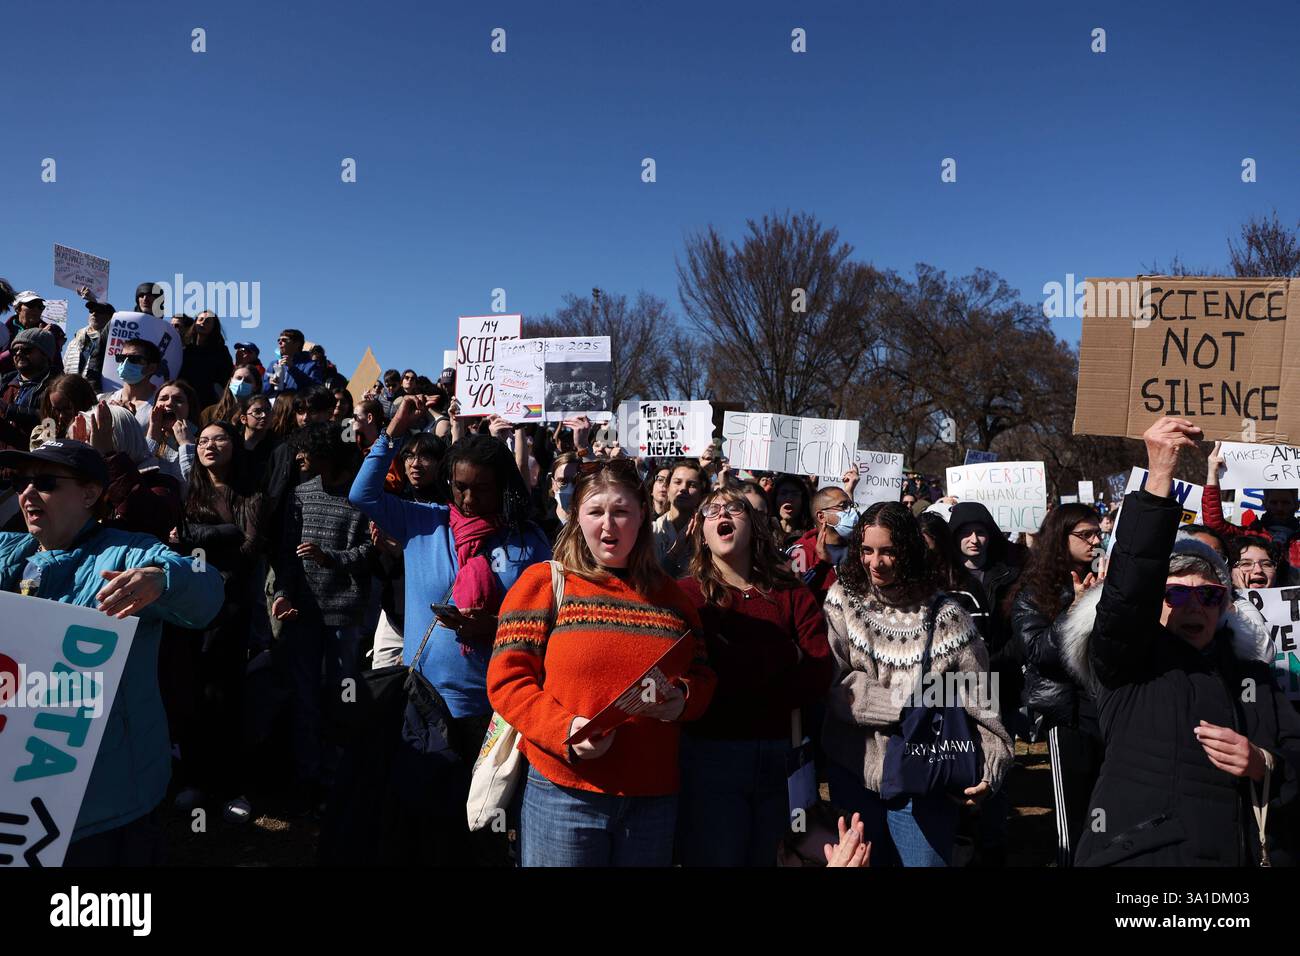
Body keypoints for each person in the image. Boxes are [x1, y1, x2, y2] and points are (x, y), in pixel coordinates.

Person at [1060, 417, 1300, 866]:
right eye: (1177, 593)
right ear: (1156, 602)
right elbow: (1128, 592)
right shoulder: (1127, 661)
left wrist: (1262, 763)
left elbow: (1295, 756)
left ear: (1226, 605)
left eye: (1209, 595)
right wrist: (1158, 477)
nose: (1195, 606)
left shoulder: (1255, 678)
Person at [0, 439, 224, 864]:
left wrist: (162, 579)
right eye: (21, 482)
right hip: (17, 795)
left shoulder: (127, 552)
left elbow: (207, 591)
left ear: (89, 494)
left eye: (45, 482)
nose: (27, 494)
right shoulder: (9, 553)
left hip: (107, 803)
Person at [488, 457, 716, 866]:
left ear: (643, 514)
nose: (608, 525)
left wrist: (682, 699)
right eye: (595, 511)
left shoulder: (675, 599)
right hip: (564, 796)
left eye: (621, 511)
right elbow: (508, 681)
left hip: (652, 802)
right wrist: (567, 729)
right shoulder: (543, 584)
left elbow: (701, 675)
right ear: (577, 516)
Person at [349, 397, 551, 759]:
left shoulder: (528, 541)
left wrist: (495, 626)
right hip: (423, 701)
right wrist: (393, 430)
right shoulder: (424, 521)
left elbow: (546, 620)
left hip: (498, 704)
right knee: (422, 804)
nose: (468, 498)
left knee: (481, 811)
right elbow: (361, 493)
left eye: (481, 488)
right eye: (459, 486)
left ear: (502, 486)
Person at [821, 502, 1013, 867]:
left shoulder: (947, 617)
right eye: (866, 550)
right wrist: (906, 706)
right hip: (854, 770)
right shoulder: (841, 600)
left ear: (908, 550)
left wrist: (990, 769)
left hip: (924, 775)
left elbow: (981, 700)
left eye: (888, 551)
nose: (875, 562)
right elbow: (835, 683)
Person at [675, 486, 832, 865]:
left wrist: (742, 668)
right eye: (712, 511)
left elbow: (818, 670)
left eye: (734, 509)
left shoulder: (790, 594)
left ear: (755, 525)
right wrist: (781, 656)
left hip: (779, 760)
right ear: (700, 531)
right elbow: (692, 677)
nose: (722, 515)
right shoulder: (684, 597)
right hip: (709, 759)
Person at [271, 421, 373, 808]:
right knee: (305, 698)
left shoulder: (360, 497)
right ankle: (306, 780)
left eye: (306, 451)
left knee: (342, 697)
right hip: (303, 614)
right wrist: (282, 592)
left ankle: (338, 781)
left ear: (325, 453)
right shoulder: (300, 494)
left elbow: (368, 554)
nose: (299, 457)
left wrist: (330, 558)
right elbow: (285, 553)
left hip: (343, 616)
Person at [170, 421, 267, 824]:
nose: (210, 445)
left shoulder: (252, 494)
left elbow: (247, 546)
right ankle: (193, 781)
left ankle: (231, 786)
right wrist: (218, 534)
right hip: (190, 604)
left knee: (226, 696)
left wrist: (199, 534)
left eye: (220, 438)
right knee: (192, 691)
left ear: (235, 446)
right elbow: (172, 537)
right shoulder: (188, 489)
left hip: (231, 607)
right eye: (204, 439)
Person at [1005, 503, 1104, 867]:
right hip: (1068, 712)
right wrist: (1076, 611)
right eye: (1085, 535)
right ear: (1061, 539)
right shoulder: (1035, 591)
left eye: (1098, 533)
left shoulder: (1106, 580)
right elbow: (1036, 650)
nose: (1096, 541)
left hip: (1109, 706)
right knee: (1075, 813)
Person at [1204, 441, 1300, 568]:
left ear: (1296, 505)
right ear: (1264, 503)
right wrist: (1212, 474)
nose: (1279, 507)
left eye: (1285, 502)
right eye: (1274, 502)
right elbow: (1214, 525)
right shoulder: (1250, 534)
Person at [787, 484, 859, 603]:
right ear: (822, 517)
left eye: (851, 506)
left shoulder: (861, 548)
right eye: (844, 506)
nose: (851, 511)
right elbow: (795, 595)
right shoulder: (798, 552)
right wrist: (821, 566)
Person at [0, 328, 59, 449]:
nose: (18, 353)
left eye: (27, 350)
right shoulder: (5, 383)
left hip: (31, 464)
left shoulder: (56, 387)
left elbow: (54, 421)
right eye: (14, 350)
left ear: (45, 354)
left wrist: (9, 410)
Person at [652, 459, 706, 577]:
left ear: (702, 493)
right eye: (677, 482)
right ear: (667, 487)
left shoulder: (707, 535)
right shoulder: (650, 532)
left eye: (692, 485)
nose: (683, 489)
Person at [144, 379, 200, 492]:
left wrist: (186, 444)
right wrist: (153, 434)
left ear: (190, 408)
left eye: (178, 400)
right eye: (163, 398)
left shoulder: (202, 442)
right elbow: (141, 474)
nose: (169, 403)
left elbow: (196, 484)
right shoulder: (148, 439)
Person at [99, 336, 163, 432]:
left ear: (152, 368)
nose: (125, 363)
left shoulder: (158, 409)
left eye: (134, 359)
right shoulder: (102, 400)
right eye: (121, 358)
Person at [0, 291, 66, 377]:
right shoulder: (3, 331)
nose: (36, 309)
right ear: (17, 308)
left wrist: (44, 340)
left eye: (40, 307)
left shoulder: (51, 331)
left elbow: (56, 364)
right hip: (8, 383)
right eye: (31, 305)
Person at [179, 311, 235, 408]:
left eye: (208, 321)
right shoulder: (184, 349)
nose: (203, 322)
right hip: (183, 399)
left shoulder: (221, 352)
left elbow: (226, 378)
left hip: (208, 403)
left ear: (214, 327)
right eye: (200, 319)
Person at [65, 296, 115, 388]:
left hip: (99, 391)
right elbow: (65, 366)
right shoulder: (75, 341)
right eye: (91, 311)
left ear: (110, 317)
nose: (94, 314)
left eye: (100, 311)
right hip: (72, 390)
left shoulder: (113, 342)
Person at [534, 452, 580, 542]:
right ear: (553, 484)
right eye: (563, 481)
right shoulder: (542, 529)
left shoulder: (592, 526)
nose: (570, 488)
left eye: (576, 481)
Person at [263, 329, 323, 395]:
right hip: (278, 404)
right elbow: (262, 390)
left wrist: (292, 368)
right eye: (279, 340)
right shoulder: (274, 364)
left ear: (297, 344)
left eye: (284, 340)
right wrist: (270, 383)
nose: (280, 342)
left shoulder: (311, 365)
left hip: (299, 403)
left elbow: (316, 389)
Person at [771, 474, 814, 549]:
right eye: (783, 493)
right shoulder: (764, 534)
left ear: (803, 500)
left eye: (795, 494)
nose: (789, 498)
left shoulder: (812, 536)